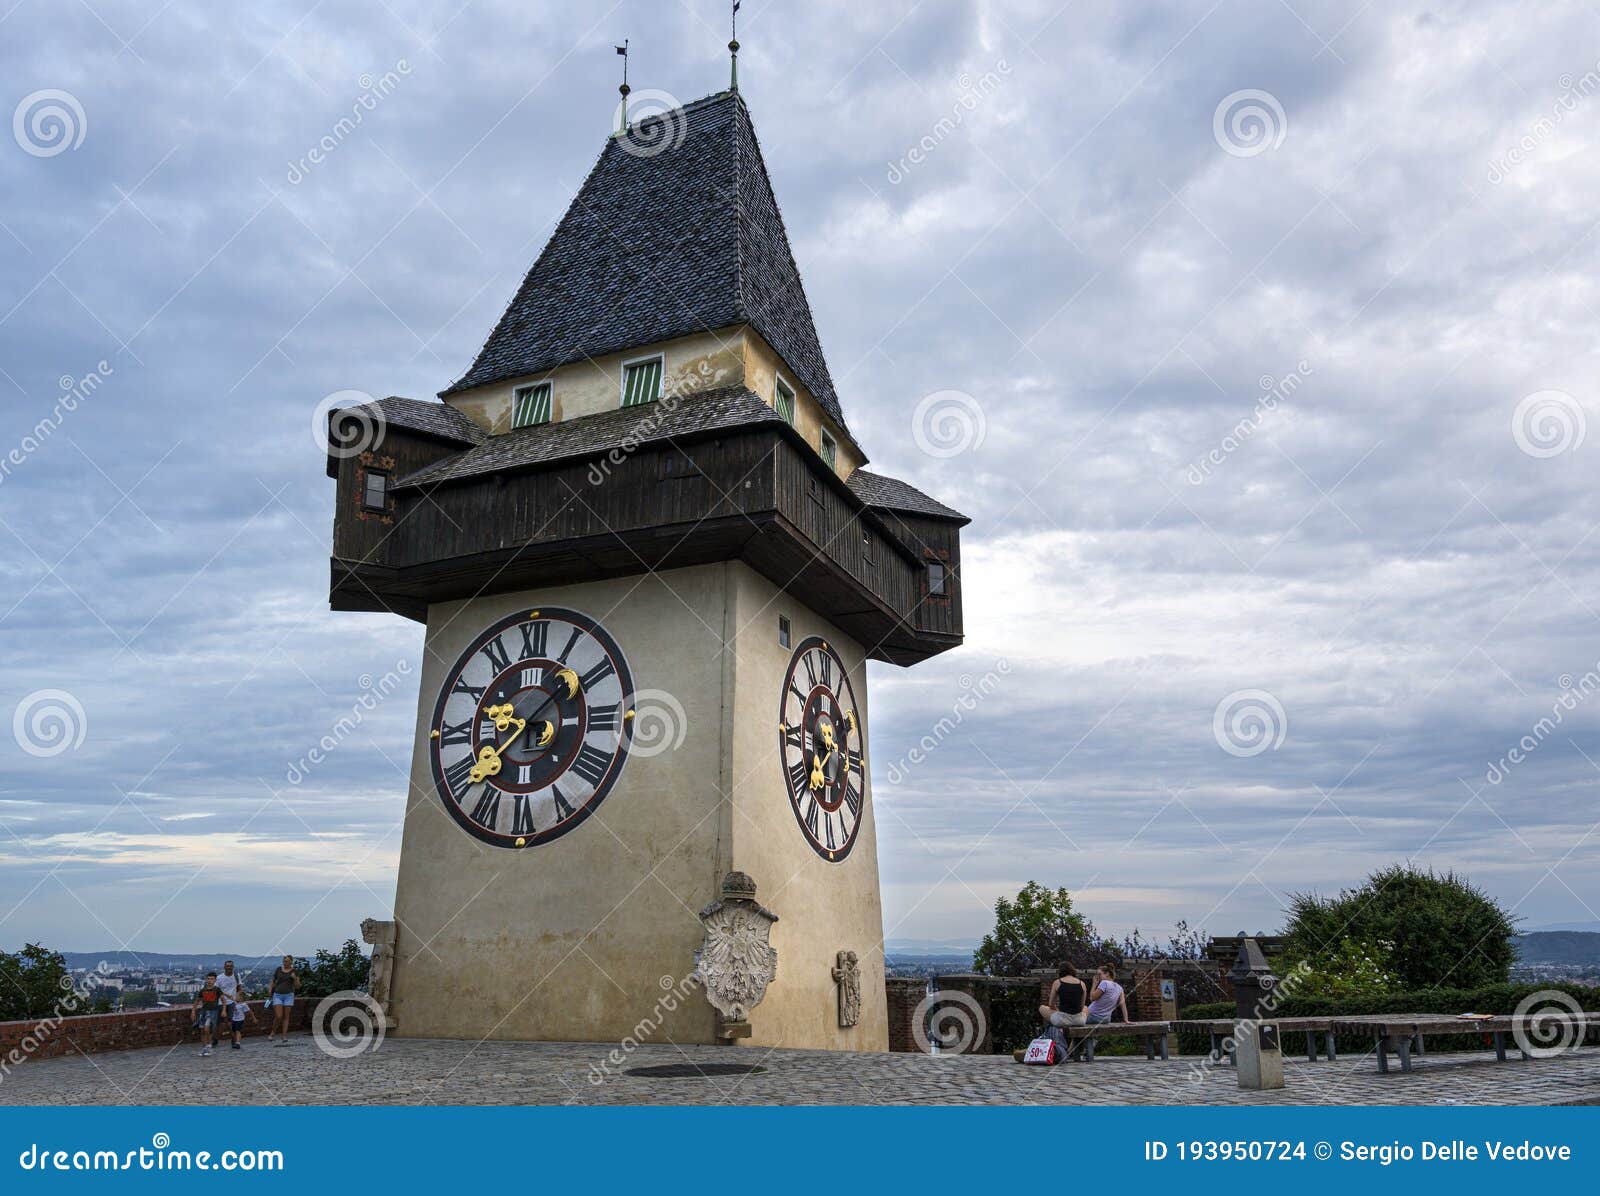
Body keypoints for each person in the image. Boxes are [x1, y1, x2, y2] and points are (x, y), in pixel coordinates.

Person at [266, 955, 300, 1045]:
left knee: (286, 1016)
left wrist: (294, 979)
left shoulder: (294, 971)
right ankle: (273, 1032)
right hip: (278, 995)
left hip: (289, 995)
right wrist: (270, 990)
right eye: (284, 961)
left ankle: (284, 1035)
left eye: (288, 961)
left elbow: (298, 986)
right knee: (279, 1016)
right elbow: (273, 981)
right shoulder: (278, 969)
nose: (286, 963)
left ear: (291, 962)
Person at [192, 974, 223, 1057]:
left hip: (213, 1011)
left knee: (207, 1028)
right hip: (204, 1011)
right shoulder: (203, 990)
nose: (209, 981)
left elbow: (223, 1000)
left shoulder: (217, 990)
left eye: (211, 979)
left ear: (215, 980)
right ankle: (204, 1048)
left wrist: (224, 1010)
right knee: (202, 1030)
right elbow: (197, 1001)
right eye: (208, 979)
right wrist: (193, 1011)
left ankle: (208, 1045)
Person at [215, 960, 241, 1042]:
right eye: (227, 966)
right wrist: (226, 995)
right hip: (221, 1003)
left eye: (230, 966)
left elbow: (239, 988)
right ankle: (217, 1038)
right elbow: (216, 990)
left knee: (229, 1022)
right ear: (224, 967)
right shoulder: (219, 978)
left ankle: (232, 1039)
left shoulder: (236, 976)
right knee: (222, 1023)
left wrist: (238, 996)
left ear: (233, 967)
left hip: (232, 1002)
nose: (229, 967)